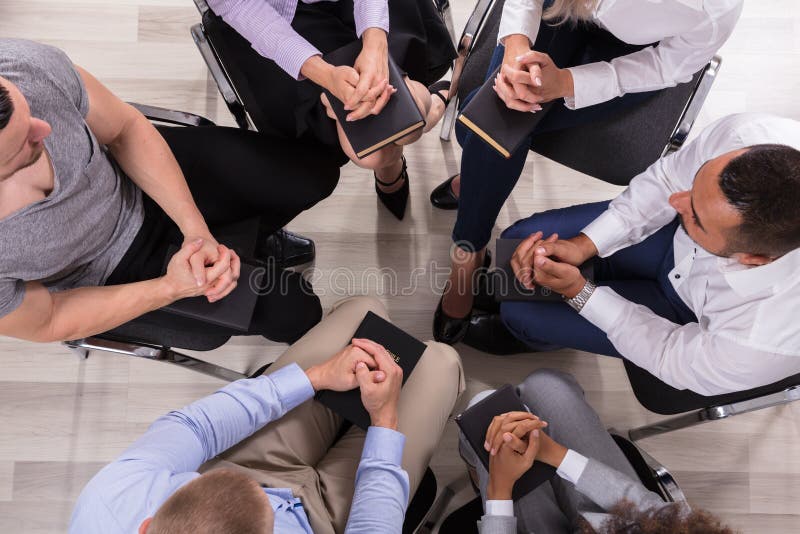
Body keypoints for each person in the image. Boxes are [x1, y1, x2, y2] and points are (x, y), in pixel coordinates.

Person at [432, 0, 743, 344]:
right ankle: (469, 250)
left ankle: (473, 202)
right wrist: (517, 45)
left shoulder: (710, 8)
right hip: (553, 12)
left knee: (485, 127)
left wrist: (567, 82)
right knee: (491, 125)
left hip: (632, 56)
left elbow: (667, 65)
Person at [0, 38, 340, 346]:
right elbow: (50, 319)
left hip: (135, 180)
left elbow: (124, 129)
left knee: (314, 176)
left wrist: (195, 230)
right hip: (108, 275)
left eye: (28, 114)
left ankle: (254, 242)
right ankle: (252, 250)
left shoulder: (22, 68)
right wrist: (170, 288)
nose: (43, 127)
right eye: (22, 143)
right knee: (298, 312)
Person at [467, 113, 800, 396]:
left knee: (523, 315)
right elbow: (668, 181)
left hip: (687, 317)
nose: (676, 202)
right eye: (697, 182)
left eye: (696, 215)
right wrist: (584, 243)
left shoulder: (765, 340)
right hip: (670, 239)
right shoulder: (748, 137)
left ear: (755, 258)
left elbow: (670, 356)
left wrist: (579, 293)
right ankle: (510, 297)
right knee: (518, 239)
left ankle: (527, 334)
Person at [70, 296, 465, 534]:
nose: (273, 501)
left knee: (366, 313)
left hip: (243, 463)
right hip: (326, 523)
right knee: (442, 363)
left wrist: (314, 378)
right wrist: (385, 423)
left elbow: (197, 428)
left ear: (145, 527)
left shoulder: (110, 501)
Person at [205, 0, 457, 220]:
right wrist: (324, 75)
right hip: (275, 19)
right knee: (379, 147)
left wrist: (375, 43)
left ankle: (394, 158)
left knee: (391, 134)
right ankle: (431, 108)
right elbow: (238, 4)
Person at [461, 369, 736, 533]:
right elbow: (651, 509)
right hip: (610, 521)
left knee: (484, 408)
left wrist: (500, 488)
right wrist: (554, 453)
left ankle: (475, 464)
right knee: (547, 385)